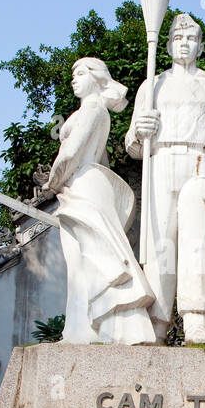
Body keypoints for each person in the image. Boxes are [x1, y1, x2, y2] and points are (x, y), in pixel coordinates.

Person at [125, 13, 205, 344]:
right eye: (177, 38)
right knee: (160, 246)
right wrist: (139, 133)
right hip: (159, 162)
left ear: (201, 46)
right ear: (168, 44)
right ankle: (156, 321)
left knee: (196, 243)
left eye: (191, 39)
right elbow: (132, 145)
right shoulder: (152, 84)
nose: (184, 44)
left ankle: (196, 319)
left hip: (197, 162)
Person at [45, 57, 156, 345]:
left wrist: (53, 181)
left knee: (88, 261)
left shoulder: (93, 109)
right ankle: (82, 330)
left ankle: (89, 330)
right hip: (84, 185)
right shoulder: (94, 112)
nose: (74, 79)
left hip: (82, 185)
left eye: (80, 73)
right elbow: (102, 161)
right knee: (83, 262)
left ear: (96, 78)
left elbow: (70, 152)